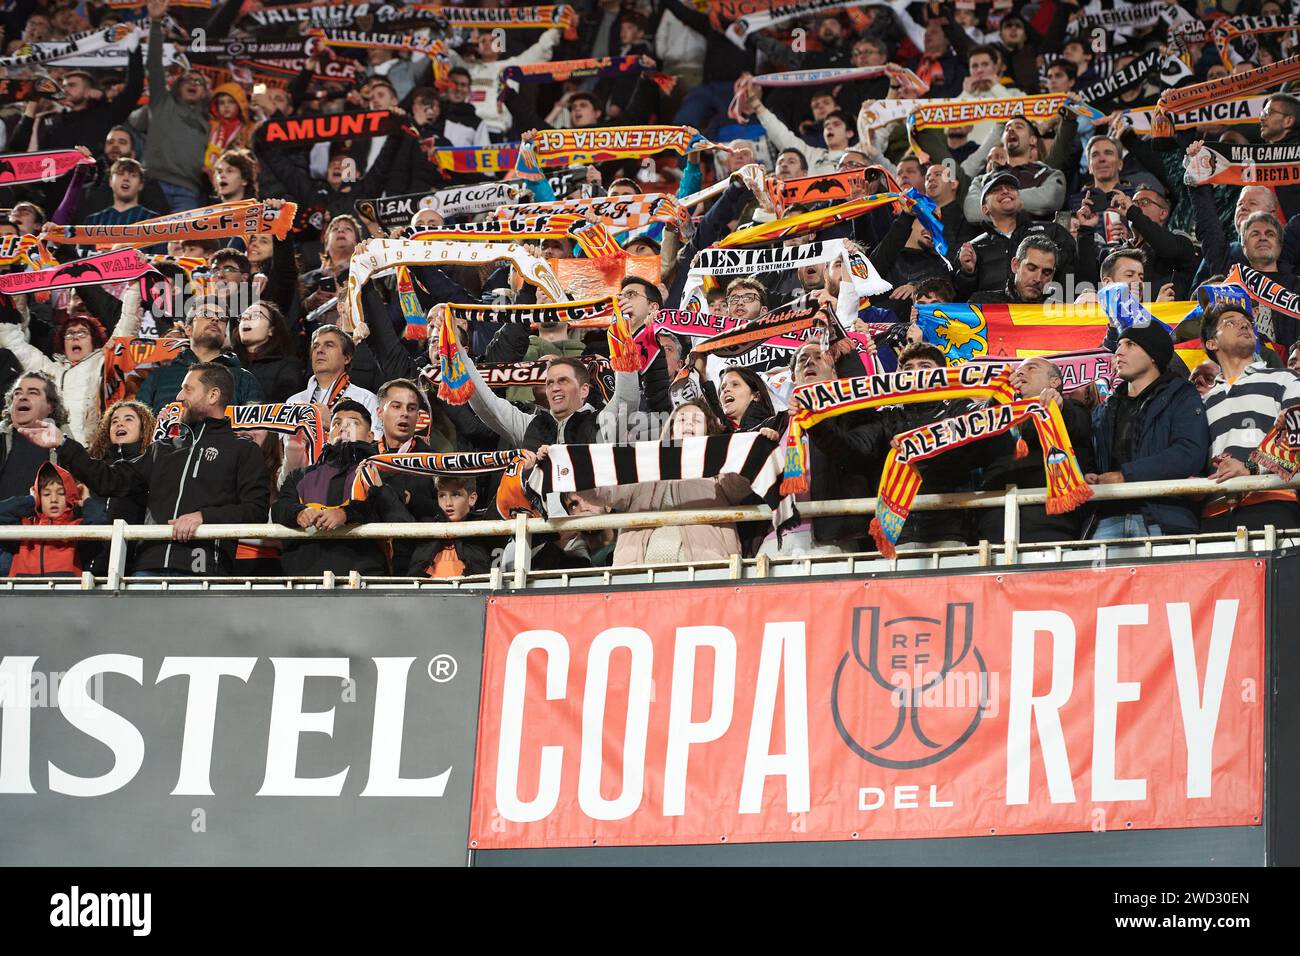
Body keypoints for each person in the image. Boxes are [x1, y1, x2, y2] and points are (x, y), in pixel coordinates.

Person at [19, 362, 271, 576]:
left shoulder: (243, 450)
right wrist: (63, 443)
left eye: (187, 389)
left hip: (205, 569)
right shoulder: (163, 449)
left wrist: (205, 517)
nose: (179, 397)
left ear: (213, 396)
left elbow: (256, 511)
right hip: (148, 568)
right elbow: (109, 480)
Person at [575, 400, 755, 567]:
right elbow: (601, 492)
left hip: (705, 570)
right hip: (638, 574)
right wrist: (570, 467)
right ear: (671, 431)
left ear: (708, 431)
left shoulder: (719, 468)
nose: (689, 424)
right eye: (682, 419)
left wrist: (759, 446)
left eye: (697, 420)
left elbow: (742, 481)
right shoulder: (642, 468)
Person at [1088, 322, 1210, 540]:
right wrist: (1089, 474)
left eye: (1130, 344)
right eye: (1118, 345)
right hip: (1106, 519)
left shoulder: (1182, 395)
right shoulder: (1104, 409)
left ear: (1153, 355)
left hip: (1163, 519)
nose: (1118, 351)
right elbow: (1091, 453)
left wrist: (1126, 475)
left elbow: (1189, 453)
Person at [1198, 304, 1300, 533]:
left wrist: (1251, 468)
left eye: (1247, 322)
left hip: (1273, 501)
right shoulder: (1202, 403)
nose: (1244, 324)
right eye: (1229, 322)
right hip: (1213, 513)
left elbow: (1298, 435)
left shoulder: (1285, 378)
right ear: (1211, 343)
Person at [273, 400, 404, 576]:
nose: (344, 427)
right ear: (328, 435)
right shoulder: (300, 476)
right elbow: (279, 508)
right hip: (301, 578)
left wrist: (345, 514)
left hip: (364, 579)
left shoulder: (383, 473)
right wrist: (299, 512)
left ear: (370, 437)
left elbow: (386, 510)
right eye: (337, 423)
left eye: (354, 422)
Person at [972, 357, 1096, 543]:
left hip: (1050, 528)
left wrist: (1057, 408)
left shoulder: (1072, 409)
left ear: (1054, 382)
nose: (1020, 372)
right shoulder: (997, 414)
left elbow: (1077, 426)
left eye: (1032, 368)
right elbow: (974, 452)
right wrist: (996, 403)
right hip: (993, 527)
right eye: (1018, 370)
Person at [457, 352, 639, 452]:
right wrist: (456, 348)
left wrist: (622, 337)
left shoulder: (603, 422)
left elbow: (627, 399)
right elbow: (486, 404)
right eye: (550, 383)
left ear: (584, 390)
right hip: (538, 519)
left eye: (563, 381)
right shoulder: (530, 426)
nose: (554, 388)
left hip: (591, 519)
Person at [136, 298, 263, 413]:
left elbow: (255, 431)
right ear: (188, 329)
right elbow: (140, 424)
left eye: (222, 318)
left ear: (225, 335)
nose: (215, 319)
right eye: (206, 314)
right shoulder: (159, 377)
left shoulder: (244, 379)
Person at [0, 462, 104, 577]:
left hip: (66, 594)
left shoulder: (77, 530)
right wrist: (31, 500)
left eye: (61, 493)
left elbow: (99, 523)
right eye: (46, 494)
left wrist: (87, 500)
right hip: (22, 594)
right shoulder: (24, 527)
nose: (54, 499)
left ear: (70, 496)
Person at [406, 475, 493, 579]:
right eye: (442, 496)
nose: (448, 503)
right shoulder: (426, 530)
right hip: (424, 593)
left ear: (472, 499)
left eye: (456, 495)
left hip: (468, 592)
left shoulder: (484, 528)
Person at [287, 325, 379, 422]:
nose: (319, 350)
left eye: (329, 345)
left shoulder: (366, 400)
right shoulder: (292, 403)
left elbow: (373, 437)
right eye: (315, 346)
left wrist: (331, 423)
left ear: (346, 358)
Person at [232, 302, 304, 403]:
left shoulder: (287, 366)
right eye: (243, 317)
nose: (246, 319)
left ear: (271, 330)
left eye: (256, 315)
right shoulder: (227, 363)